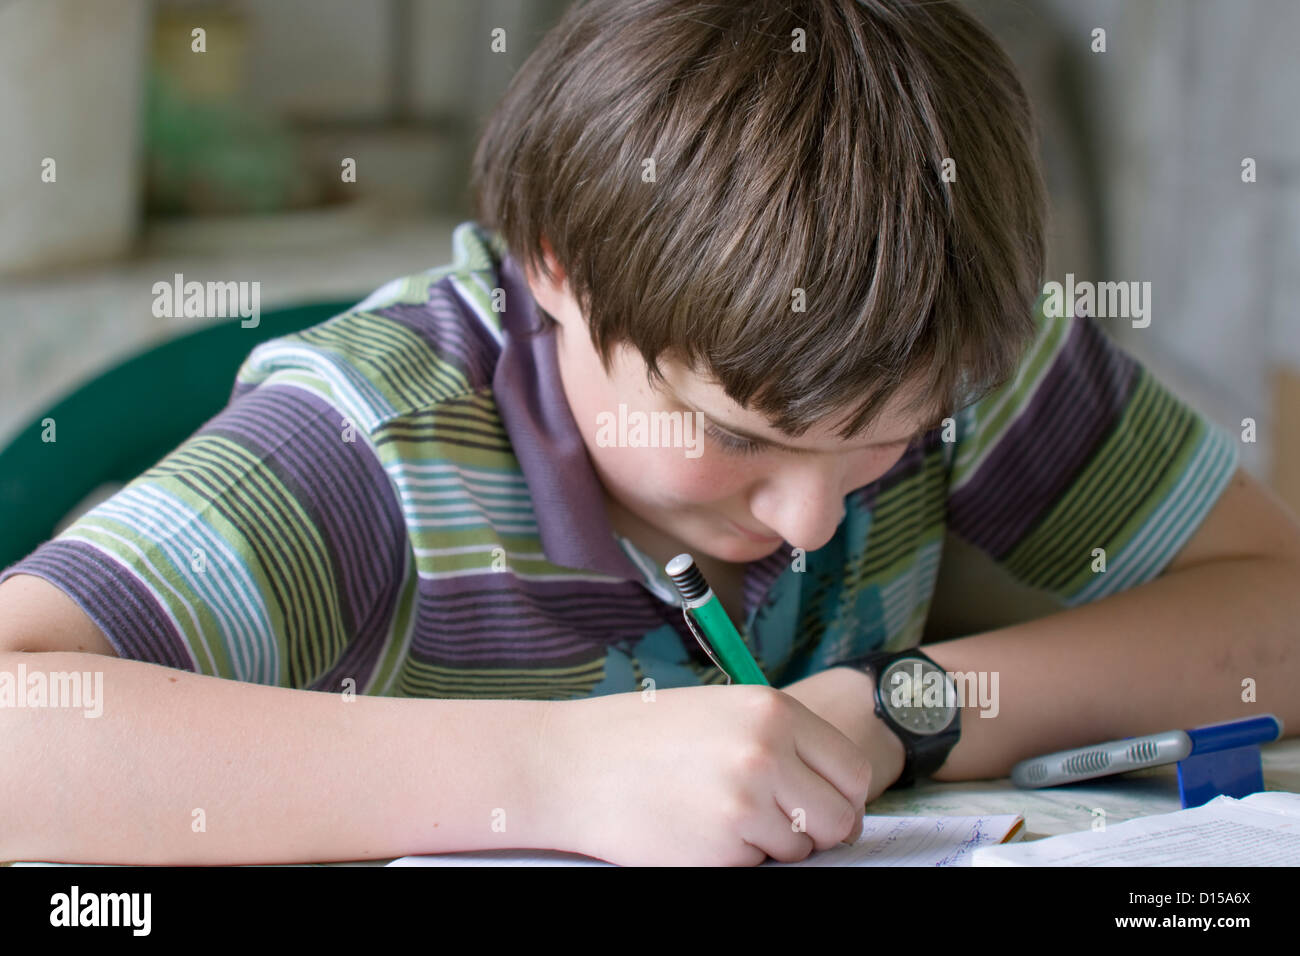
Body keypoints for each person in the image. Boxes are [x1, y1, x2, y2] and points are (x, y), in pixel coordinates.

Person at [2, 0, 1296, 867]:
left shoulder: (937, 337)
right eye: (735, 434)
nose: (812, 519)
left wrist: (910, 706)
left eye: (879, 446)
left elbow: (1279, 611)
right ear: (559, 271)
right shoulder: (372, 453)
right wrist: (555, 773)